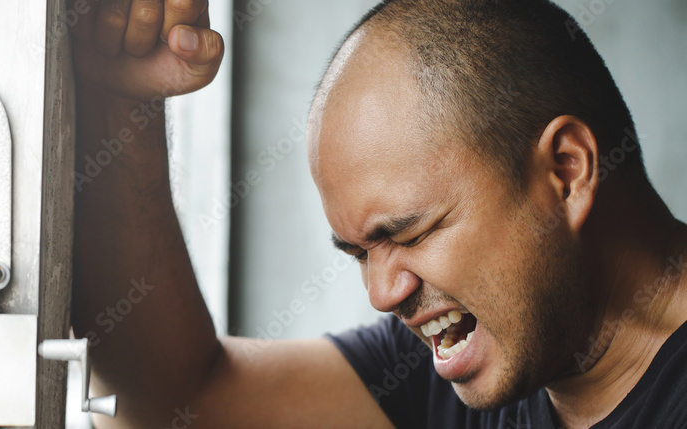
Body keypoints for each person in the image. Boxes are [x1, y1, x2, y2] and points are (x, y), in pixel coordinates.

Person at [70, 0, 687, 427]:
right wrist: (123, 98)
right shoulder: (493, 346)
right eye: (361, 254)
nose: (383, 294)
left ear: (567, 170)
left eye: (410, 233)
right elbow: (181, 404)